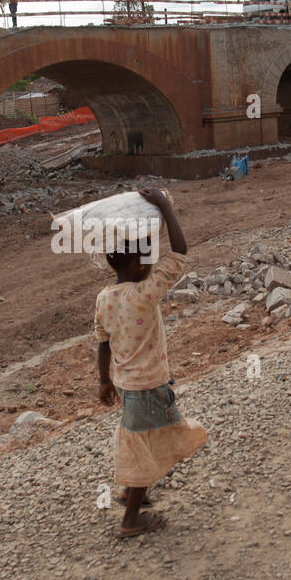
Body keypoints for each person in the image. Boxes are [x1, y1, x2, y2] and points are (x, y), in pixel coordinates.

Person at [94, 189, 206, 538]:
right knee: (146, 447)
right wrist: (165, 206)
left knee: (138, 440)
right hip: (150, 386)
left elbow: (102, 343)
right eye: (148, 257)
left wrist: (104, 382)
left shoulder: (104, 297)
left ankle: (131, 491)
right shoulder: (146, 293)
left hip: (127, 385)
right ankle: (130, 519)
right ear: (141, 265)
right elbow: (181, 251)